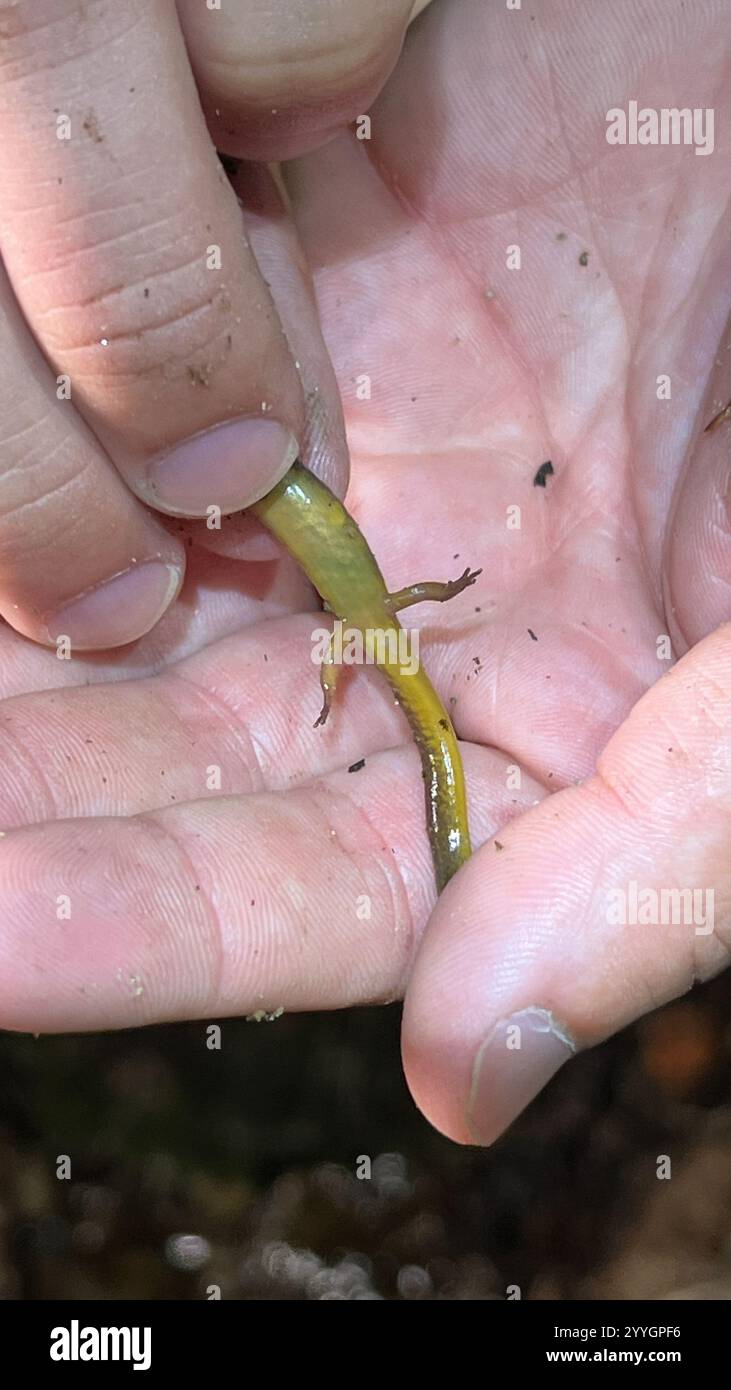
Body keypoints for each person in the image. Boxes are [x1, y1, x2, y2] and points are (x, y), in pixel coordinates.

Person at [0, 0, 727, 1146]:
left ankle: (452, 874)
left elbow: (385, 624)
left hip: (370, 606)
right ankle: (451, 869)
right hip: (357, 595)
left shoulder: (369, 635)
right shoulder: (359, 622)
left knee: (424, 721)